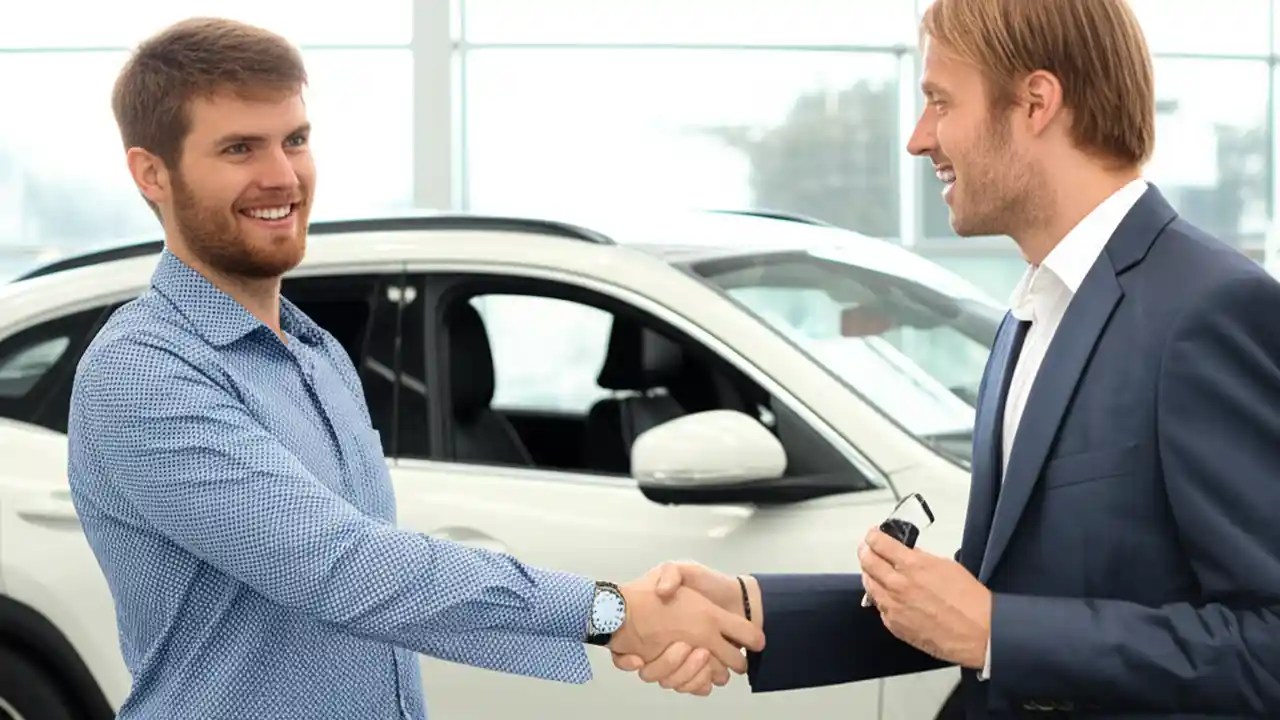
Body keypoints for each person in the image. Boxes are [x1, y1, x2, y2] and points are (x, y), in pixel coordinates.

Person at [66, 17, 763, 719]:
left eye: (296, 140)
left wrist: (620, 612)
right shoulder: (142, 373)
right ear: (152, 173)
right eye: (240, 148)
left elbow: (377, 590)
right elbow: (341, 568)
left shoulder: (315, 352)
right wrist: (612, 611)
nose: (282, 176)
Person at [615, 0, 1280, 716]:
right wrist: (750, 609)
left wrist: (997, 630)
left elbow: (1267, 647)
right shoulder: (1034, 311)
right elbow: (977, 602)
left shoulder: (1210, 309)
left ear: (1035, 103)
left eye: (939, 101)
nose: (917, 138)